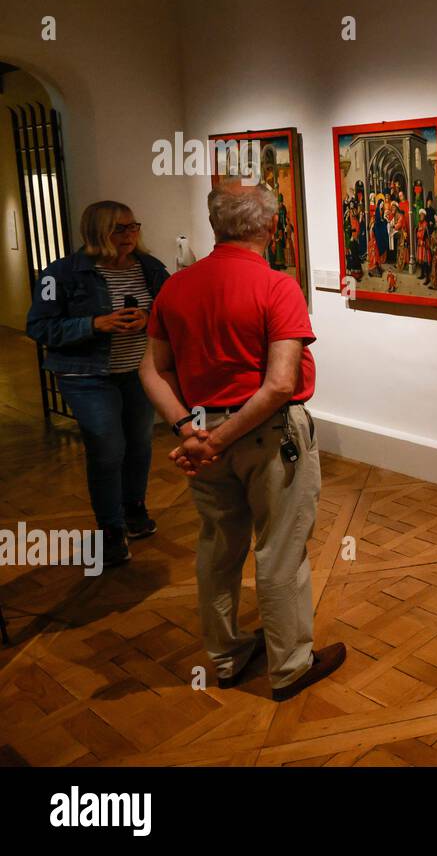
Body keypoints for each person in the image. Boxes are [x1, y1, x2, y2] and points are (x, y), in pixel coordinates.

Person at [138, 182, 345, 700]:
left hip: (205, 436)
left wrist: (192, 432)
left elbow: (153, 370)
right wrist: (219, 437)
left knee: (218, 544)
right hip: (269, 438)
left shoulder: (175, 288)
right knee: (281, 550)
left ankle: (226, 656)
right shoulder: (277, 287)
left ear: (216, 226)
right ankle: (291, 666)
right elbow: (279, 383)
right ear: (271, 228)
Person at [26, 202, 169, 567]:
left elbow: (172, 312)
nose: (129, 235)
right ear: (96, 232)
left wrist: (147, 318)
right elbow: (39, 327)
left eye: (132, 226)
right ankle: (110, 529)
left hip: (138, 372)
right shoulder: (59, 275)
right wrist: (94, 324)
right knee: (107, 449)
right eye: (118, 229)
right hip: (86, 376)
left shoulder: (150, 268)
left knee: (139, 444)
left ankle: (134, 508)